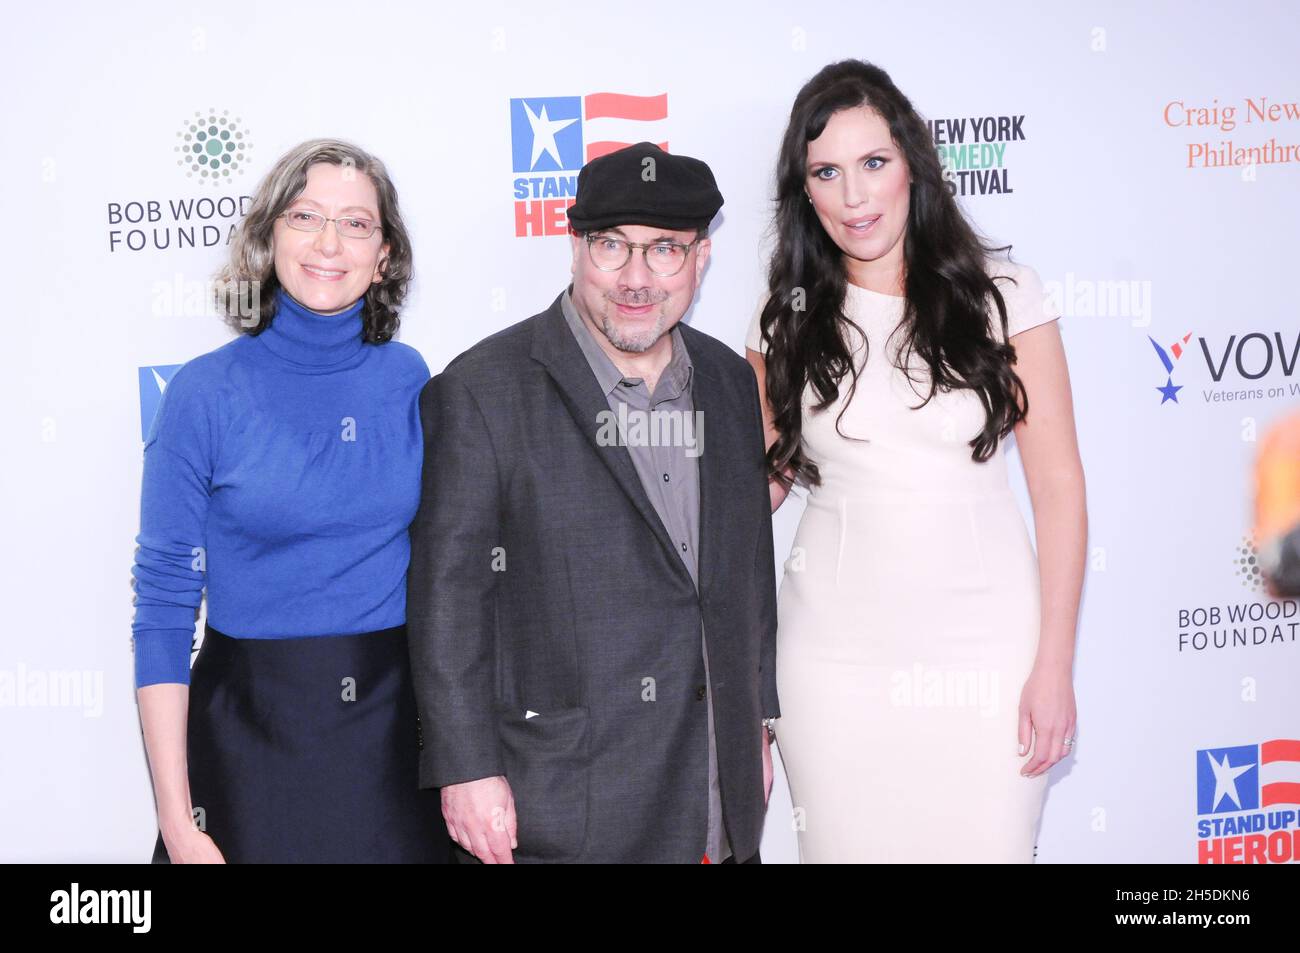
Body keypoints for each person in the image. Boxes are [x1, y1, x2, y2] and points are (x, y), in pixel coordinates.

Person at [746, 61, 1087, 862]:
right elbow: (745, 496)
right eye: (826, 172)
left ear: (913, 165)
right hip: (830, 669)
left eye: (873, 163)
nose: (854, 196)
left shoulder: (1004, 296)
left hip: (988, 656)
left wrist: (1055, 666)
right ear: (805, 192)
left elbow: (1060, 488)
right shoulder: (787, 319)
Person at [407, 141, 778, 863]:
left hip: (711, 785)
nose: (636, 278)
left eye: (665, 249)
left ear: (701, 259)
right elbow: (447, 599)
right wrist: (465, 766)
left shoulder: (731, 384)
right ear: (574, 248)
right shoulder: (483, 390)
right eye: (612, 246)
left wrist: (754, 721)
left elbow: (748, 569)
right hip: (562, 799)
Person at [132, 139, 450, 863]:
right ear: (268, 233)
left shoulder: (409, 378)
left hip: (391, 742)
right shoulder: (204, 393)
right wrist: (179, 823)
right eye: (306, 215)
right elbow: (162, 607)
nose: (329, 242)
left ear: (385, 254)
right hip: (248, 744)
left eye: (356, 223)